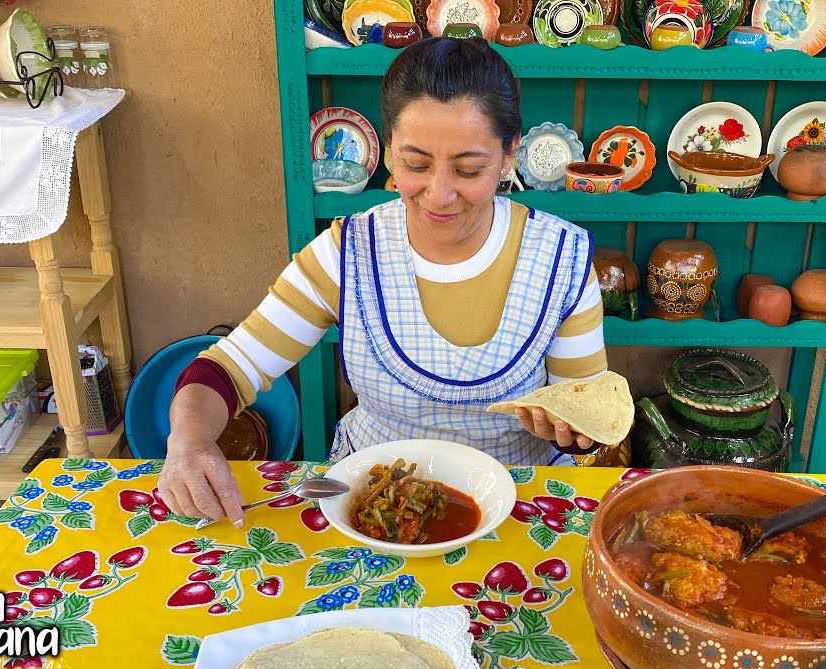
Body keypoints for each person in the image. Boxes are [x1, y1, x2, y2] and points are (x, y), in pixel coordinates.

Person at [158, 37, 606, 527]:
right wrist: (188, 443)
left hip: (514, 503)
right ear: (389, 152)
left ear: (508, 155)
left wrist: (571, 429)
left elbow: (583, 414)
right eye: (415, 164)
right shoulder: (346, 252)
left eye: (469, 169)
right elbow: (228, 368)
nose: (439, 194)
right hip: (367, 502)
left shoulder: (560, 258)